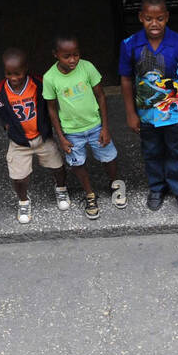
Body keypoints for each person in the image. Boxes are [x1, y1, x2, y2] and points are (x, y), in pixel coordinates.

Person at [119, 0, 178, 214]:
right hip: (146, 114)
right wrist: (130, 113)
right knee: (152, 151)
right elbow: (126, 79)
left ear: (167, 17)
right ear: (140, 18)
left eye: (159, 19)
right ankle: (157, 187)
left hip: (175, 112)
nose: (154, 24)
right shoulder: (129, 45)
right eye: (148, 18)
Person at [44, 33, 124, 219]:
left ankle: (115, 183)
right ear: (56, 54)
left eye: (76, 54)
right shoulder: (50, 78)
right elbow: (52, 109)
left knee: (109, 157)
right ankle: (89, 194)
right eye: (67, 56)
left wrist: (105, 127)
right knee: (77, 163)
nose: (73, 60)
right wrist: (61, 138)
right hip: (71, 132)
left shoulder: (87, 67)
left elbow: (101, 96)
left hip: (95, 125)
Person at [0, 46, 69, 224]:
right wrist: (10, 129)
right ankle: (23, 200)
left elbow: (49, 106)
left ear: (26, 69)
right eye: (9, 73)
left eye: (17, 73)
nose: (13, 78)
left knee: (57, 166)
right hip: (19, 142)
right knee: (18, 177)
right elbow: (1, 113)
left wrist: (47, 129)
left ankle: (61, 188)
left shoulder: (38, 84)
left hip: (42, 138)